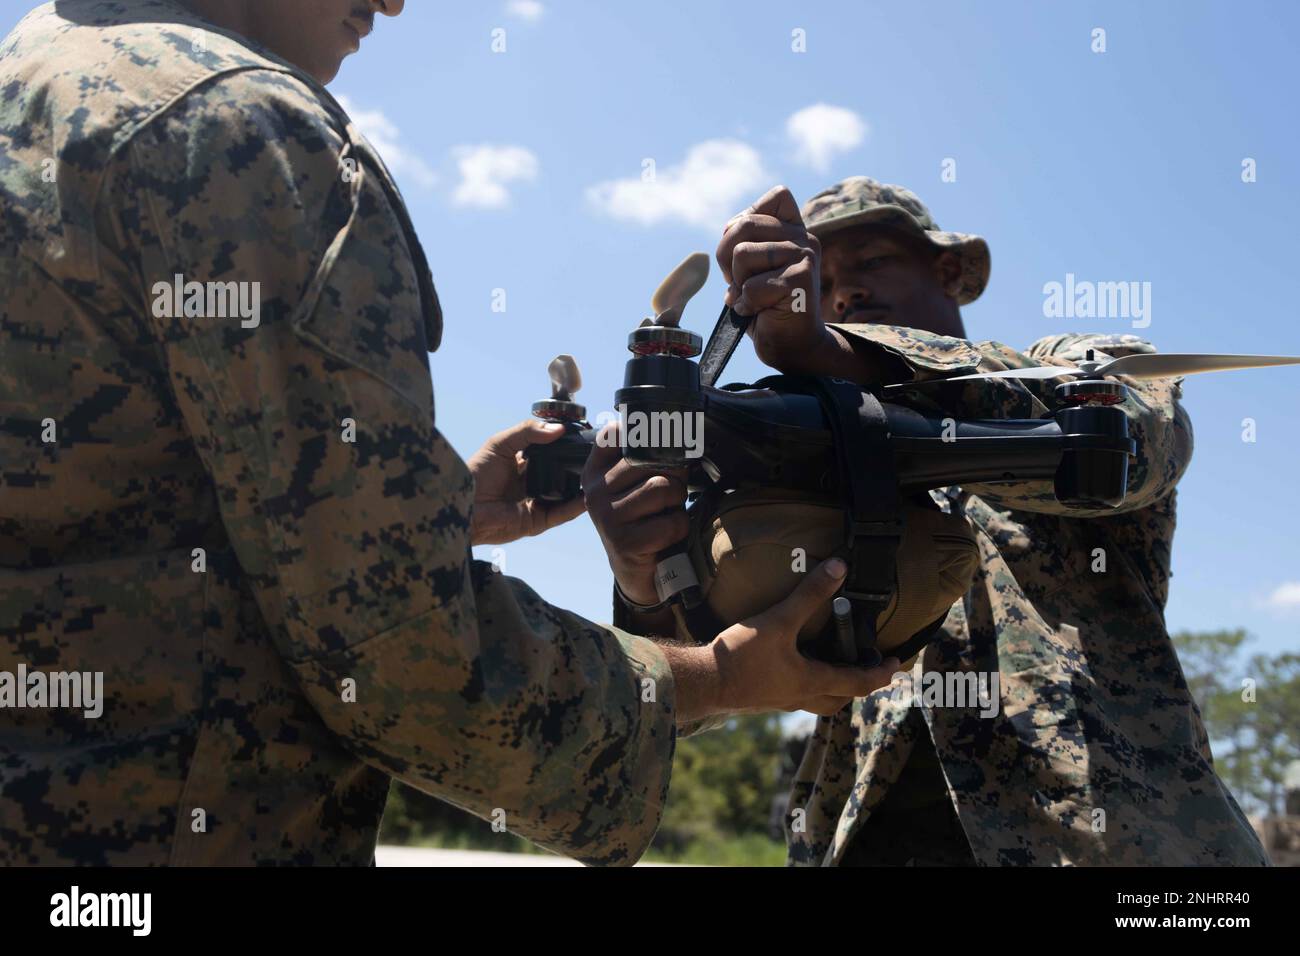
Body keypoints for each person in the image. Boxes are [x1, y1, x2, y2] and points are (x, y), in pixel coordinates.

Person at [0, 0, 895, 866]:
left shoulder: (30, 87)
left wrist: (434, 512)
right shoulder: (247, 131)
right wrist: (721, 680)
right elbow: (403, 659)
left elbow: (110, 512)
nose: (393, 4)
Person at [590, 178, 1269, 865]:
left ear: (947, 269)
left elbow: (1139, 441)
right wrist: (647, 582)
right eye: (822, 285)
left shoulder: (1066, 367)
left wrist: (838, 356)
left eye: (871, 261)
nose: (844, 295)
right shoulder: (805, 472)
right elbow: (701, 700)